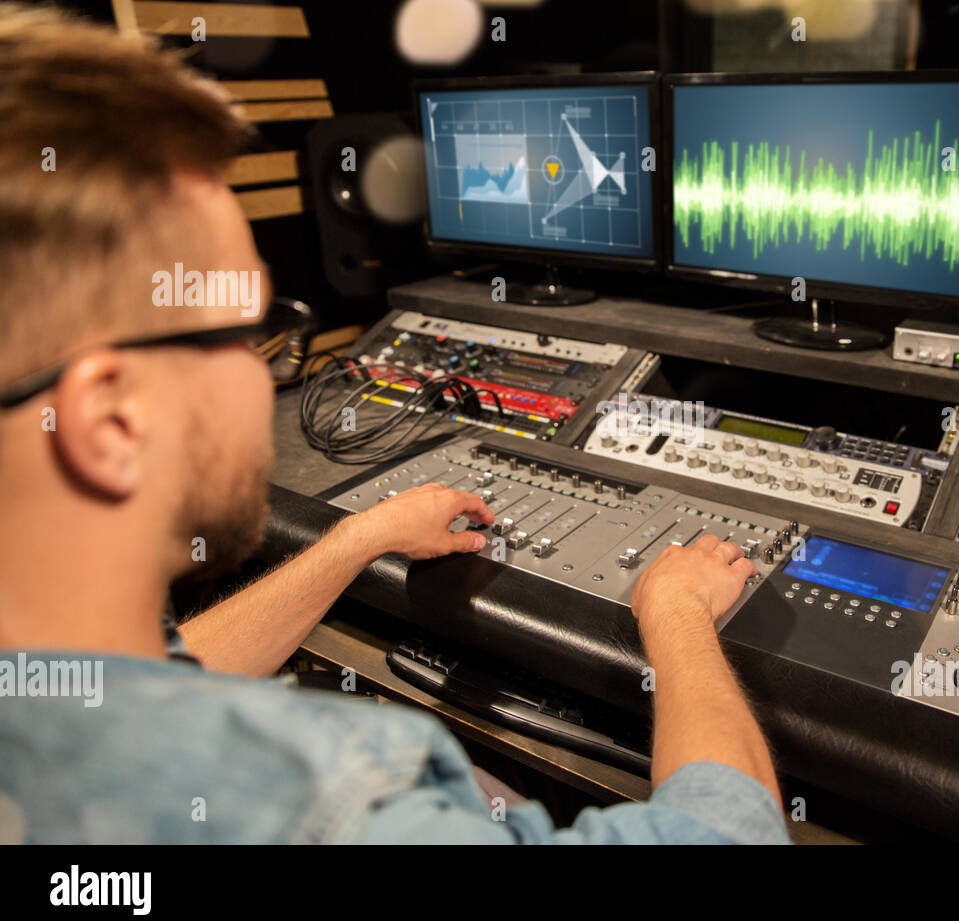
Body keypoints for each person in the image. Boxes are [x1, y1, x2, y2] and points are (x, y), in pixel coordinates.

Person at [0, 3, 789, 844]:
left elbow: (162, 675)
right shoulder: (339, 804)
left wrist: (357, 538)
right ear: (111, 420)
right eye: (245, 328)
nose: (272, 358)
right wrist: (675, 614)